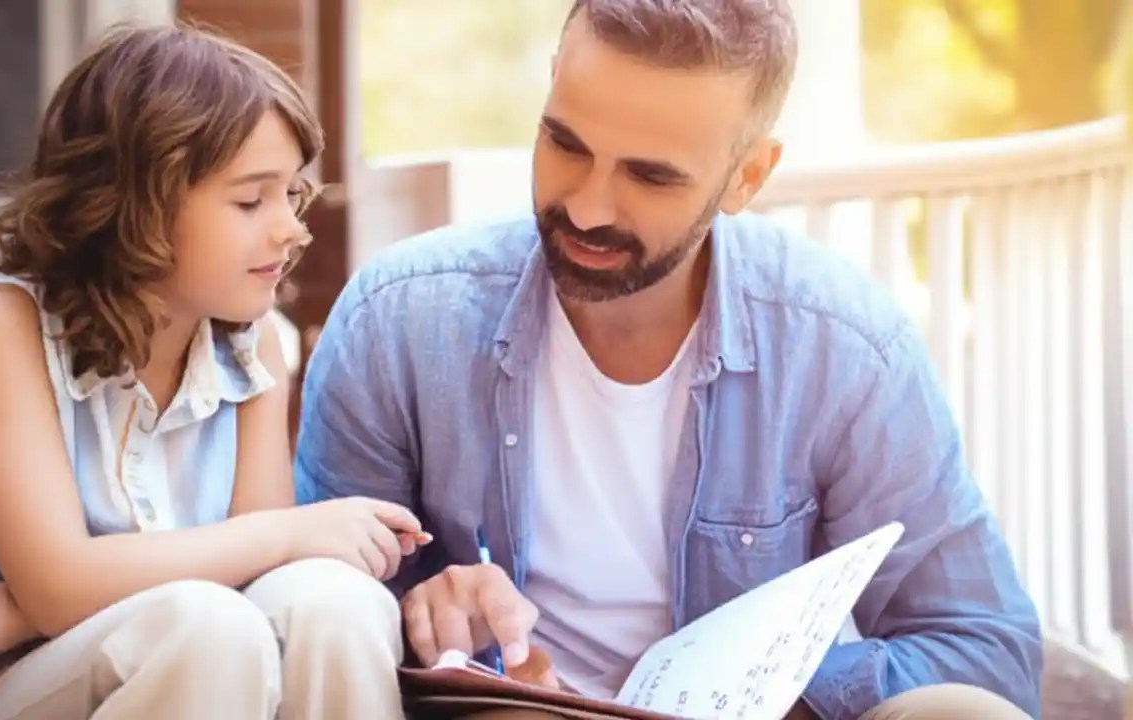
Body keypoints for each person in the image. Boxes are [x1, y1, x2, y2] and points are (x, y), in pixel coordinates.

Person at [295, 1, 1043, 718]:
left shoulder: (842, 347)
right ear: (554, 80)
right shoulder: (397, 319)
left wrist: (785, 693)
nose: (587, 208)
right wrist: (421, 619)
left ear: (747, 176)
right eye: (566, 144)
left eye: (650, 176)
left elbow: (985, 649)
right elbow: (312, 614)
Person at [0, 24, 422, 720]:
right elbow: (61, 584)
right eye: (252, 201)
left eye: (293, 197)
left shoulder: (256, 347)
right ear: (135, 203)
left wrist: (16, 611)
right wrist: (288, 532)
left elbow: (261, 580)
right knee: (204, 627)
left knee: (334, 600)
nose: (292, 229)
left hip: (147, 650)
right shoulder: (4, 332)